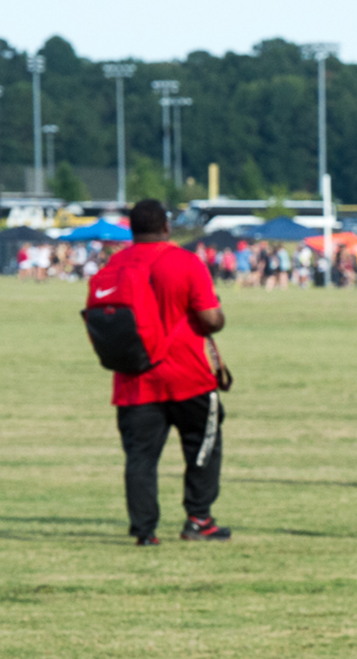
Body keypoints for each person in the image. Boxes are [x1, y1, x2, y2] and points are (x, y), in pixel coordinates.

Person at [105, 199, 232, 546]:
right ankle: (198, 518)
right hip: (187, 373)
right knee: (203, 448)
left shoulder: (115, 263)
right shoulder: (185, 261)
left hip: (133, 377)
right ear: (166, 227)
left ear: (132, 228)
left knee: (141, 459)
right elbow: (209, 319)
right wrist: (219, 315)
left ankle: (144, 531)